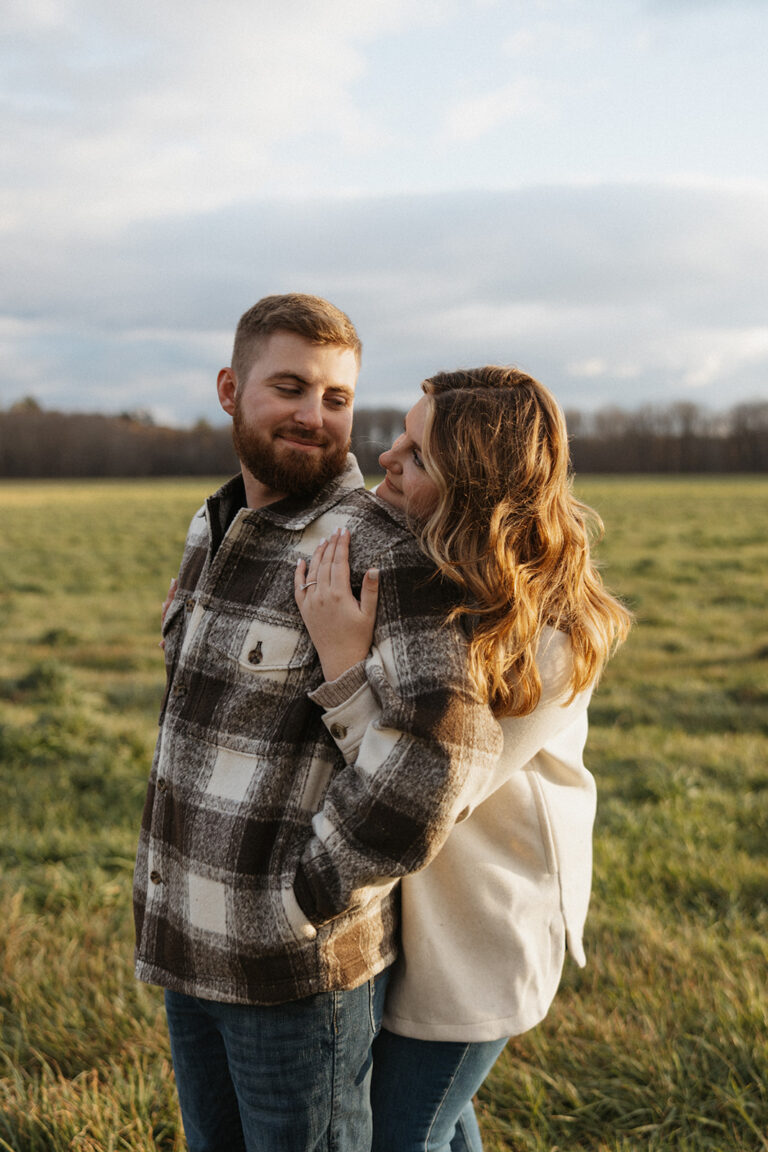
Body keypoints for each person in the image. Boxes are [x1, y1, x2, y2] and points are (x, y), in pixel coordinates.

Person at [133, 296, 504, 1152]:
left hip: (293, 974)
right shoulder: (213, 526)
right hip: (189, 951)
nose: (314, 415)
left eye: (335, 398)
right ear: (231, 389)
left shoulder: (378, 549)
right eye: (290, 388)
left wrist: (310, 896)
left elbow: (446, 759)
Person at [294, 366, 632, 1152]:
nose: (387, 456)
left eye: (416, 452)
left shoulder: (553, 634)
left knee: (401, 1136)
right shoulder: (432, 576)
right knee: (441, 1127)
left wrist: (344, 664)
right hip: (415, 917)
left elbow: (433, 786)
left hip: (481, 932)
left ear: (473, 486)